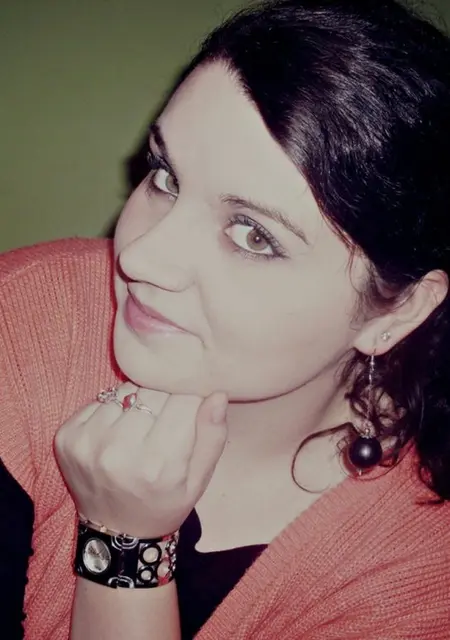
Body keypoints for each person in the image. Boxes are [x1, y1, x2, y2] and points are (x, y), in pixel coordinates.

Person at [1, 0, 450, 638]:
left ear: (400, 309)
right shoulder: (20, 322)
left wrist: (125, 546)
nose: (139, 256)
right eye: (165, 176)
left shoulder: (421, 576)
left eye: (253, 235)